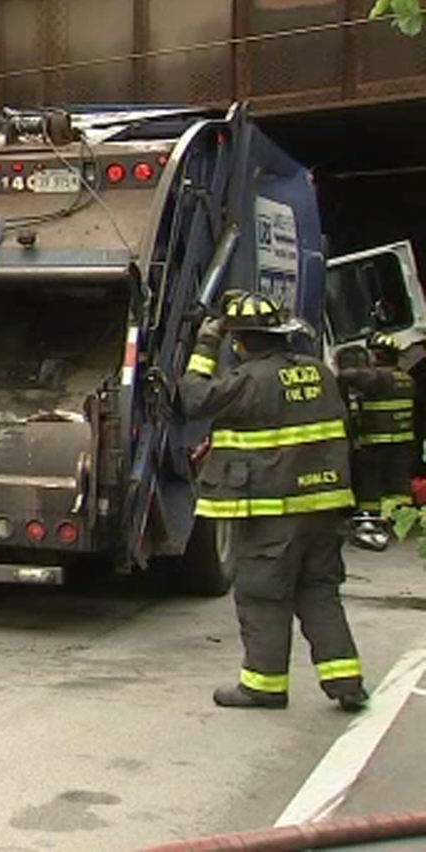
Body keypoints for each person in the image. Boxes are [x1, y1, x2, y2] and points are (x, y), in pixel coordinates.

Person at [180, 291, 368, 712]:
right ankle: (346, 684)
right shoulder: (320, 373)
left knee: (262, 593)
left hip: (274, 512)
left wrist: (205, 346)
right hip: (324, 507)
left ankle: (264, 685)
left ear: (240, 342)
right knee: (320, 592)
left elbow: (192, 398)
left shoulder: (251, 382)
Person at [338, 332, 417, 549]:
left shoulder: (379, 377)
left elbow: (348, 377)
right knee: (398, 486)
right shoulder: (406, 378)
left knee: (369, 486)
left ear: (378, 355)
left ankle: (369, 523)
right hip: (402, 443)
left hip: (375, 443)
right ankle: (400, 522)